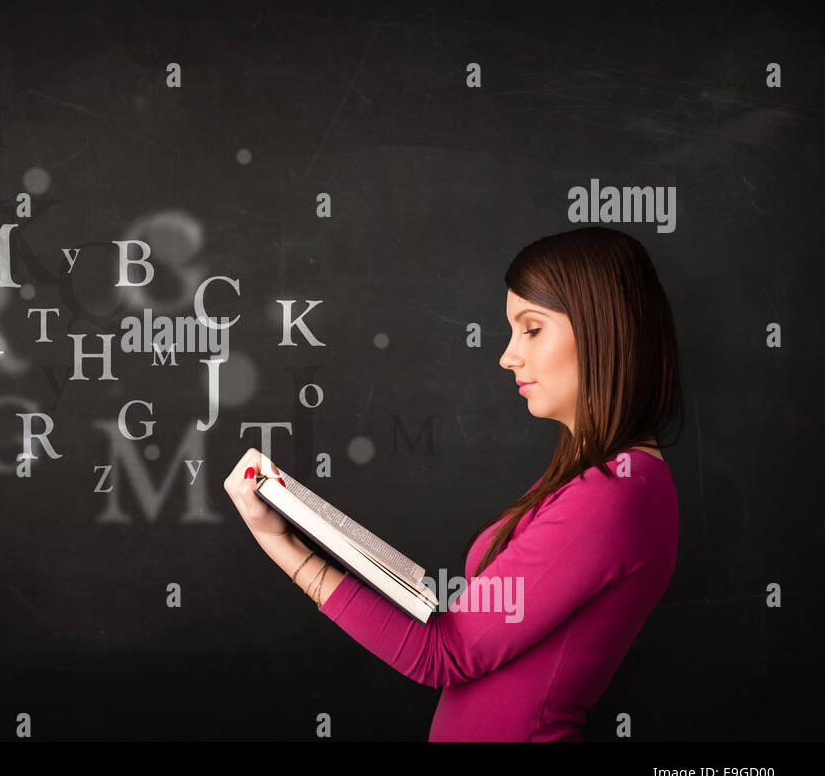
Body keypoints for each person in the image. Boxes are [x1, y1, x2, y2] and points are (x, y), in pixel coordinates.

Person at [224, 226, 683, 741]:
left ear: (606, 331)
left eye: (532, 329)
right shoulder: (595, 481)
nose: (508, 356)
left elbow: (445, 653)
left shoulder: (614, 495)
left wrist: (280, 542)